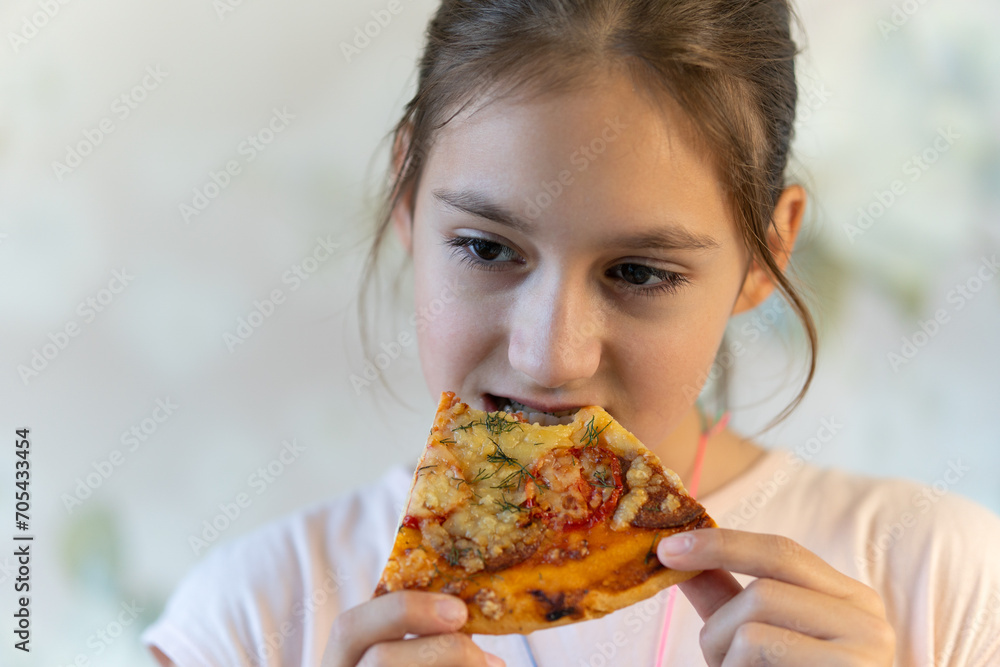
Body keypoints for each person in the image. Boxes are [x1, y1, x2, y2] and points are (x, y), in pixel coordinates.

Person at [142, 1, 1000, 665]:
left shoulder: (945, 584)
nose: (549, 355)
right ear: (406, 194)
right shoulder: (250, 615)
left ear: (763, 257)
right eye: (486, 247)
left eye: (638, 272)